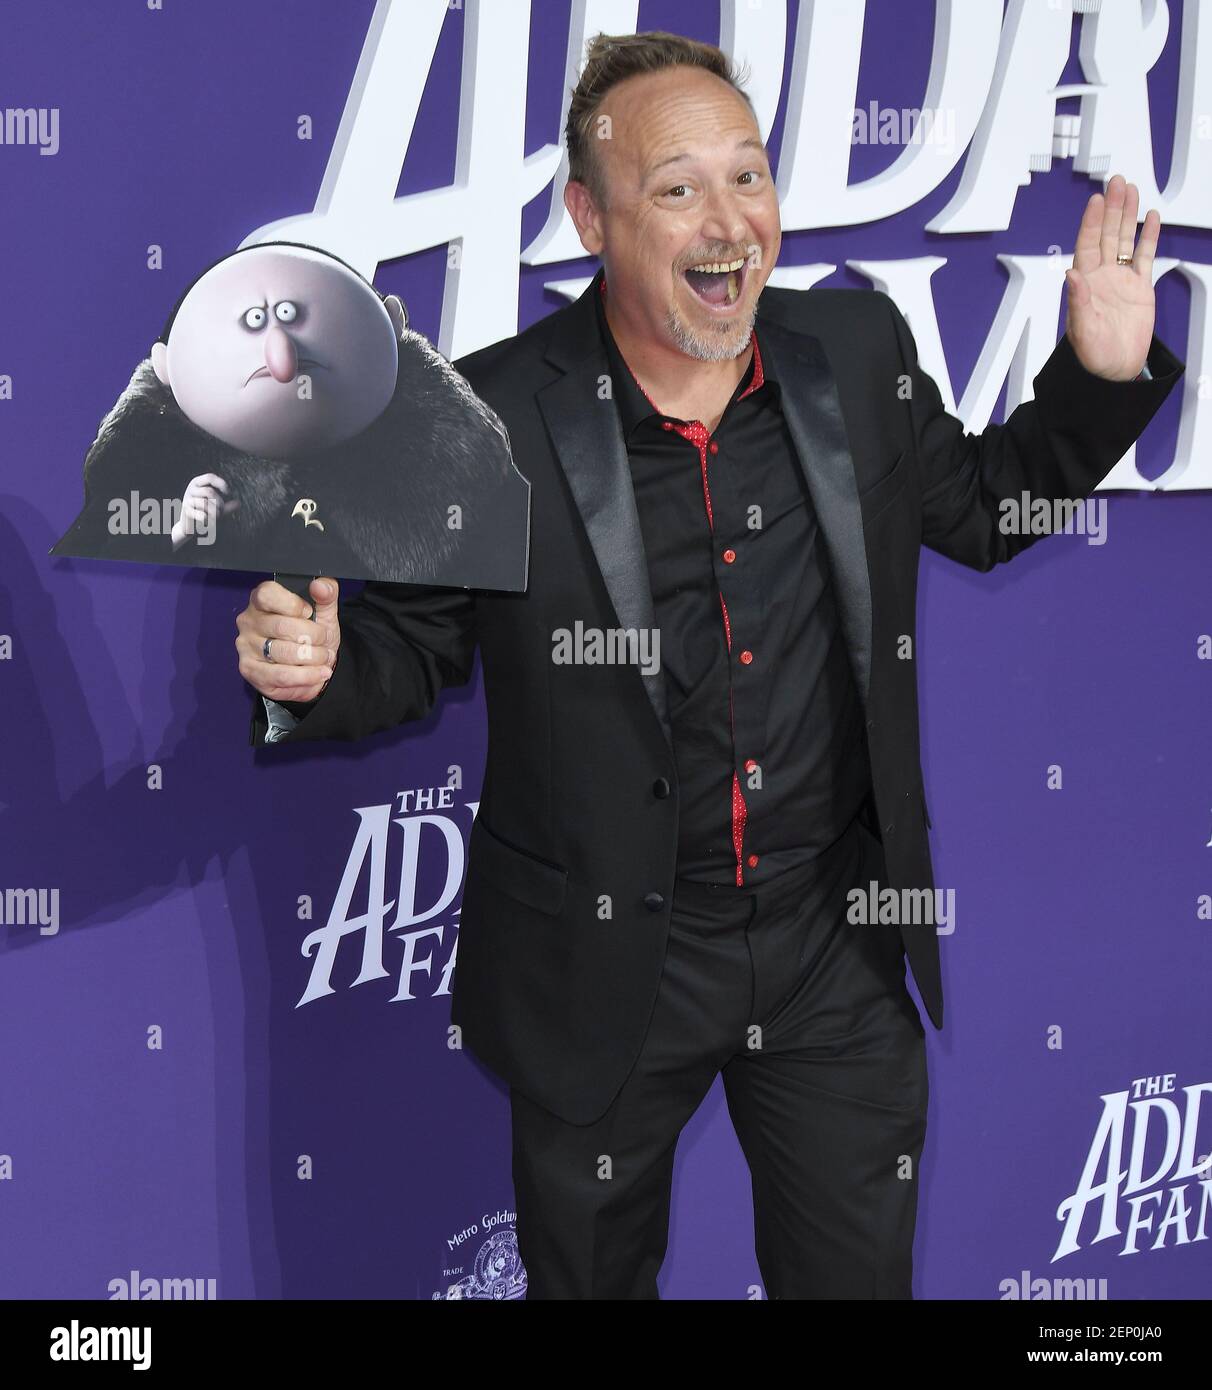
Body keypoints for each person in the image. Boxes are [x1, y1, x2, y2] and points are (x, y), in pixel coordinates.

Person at [233, 32, 1183, 1298]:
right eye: (678, 188)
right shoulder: (490, 417)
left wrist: (1099, 380)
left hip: (831, 941)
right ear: (590, 216)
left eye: (750, 176)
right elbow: (405, 652)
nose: (729, 221)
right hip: (604, 952)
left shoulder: (855, 354)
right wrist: (314, 671)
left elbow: (989, 508)